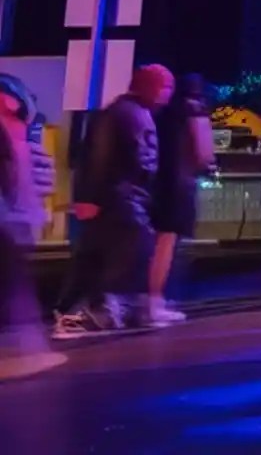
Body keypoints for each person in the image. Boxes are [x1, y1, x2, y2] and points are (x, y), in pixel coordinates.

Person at [73, 65, 173, 329]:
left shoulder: (132, 113)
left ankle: (113, 309)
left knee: (126, 251)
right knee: (125, 251)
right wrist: (90, 196)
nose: (167, 94)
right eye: (164, 87)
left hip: (124, 197)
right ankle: (101, 310)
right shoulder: (124, 114)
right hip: (119, 197)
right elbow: (100, 156)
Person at [0, 74, 65, 376]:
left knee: (14, 282)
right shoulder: (17, 137)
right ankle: (26, 347)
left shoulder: (17, 139)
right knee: (14, 283)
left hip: (12, 218)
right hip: (10, 219)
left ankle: (26, 344)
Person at [150, 74, 213, 324]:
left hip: (154, 181)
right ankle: (156, 301)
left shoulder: (159, 111)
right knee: (168, 245)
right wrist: (207, 164)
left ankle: (149, 299)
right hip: (179, 184)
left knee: (154, 244)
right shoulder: (194, 108)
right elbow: (203, 151)